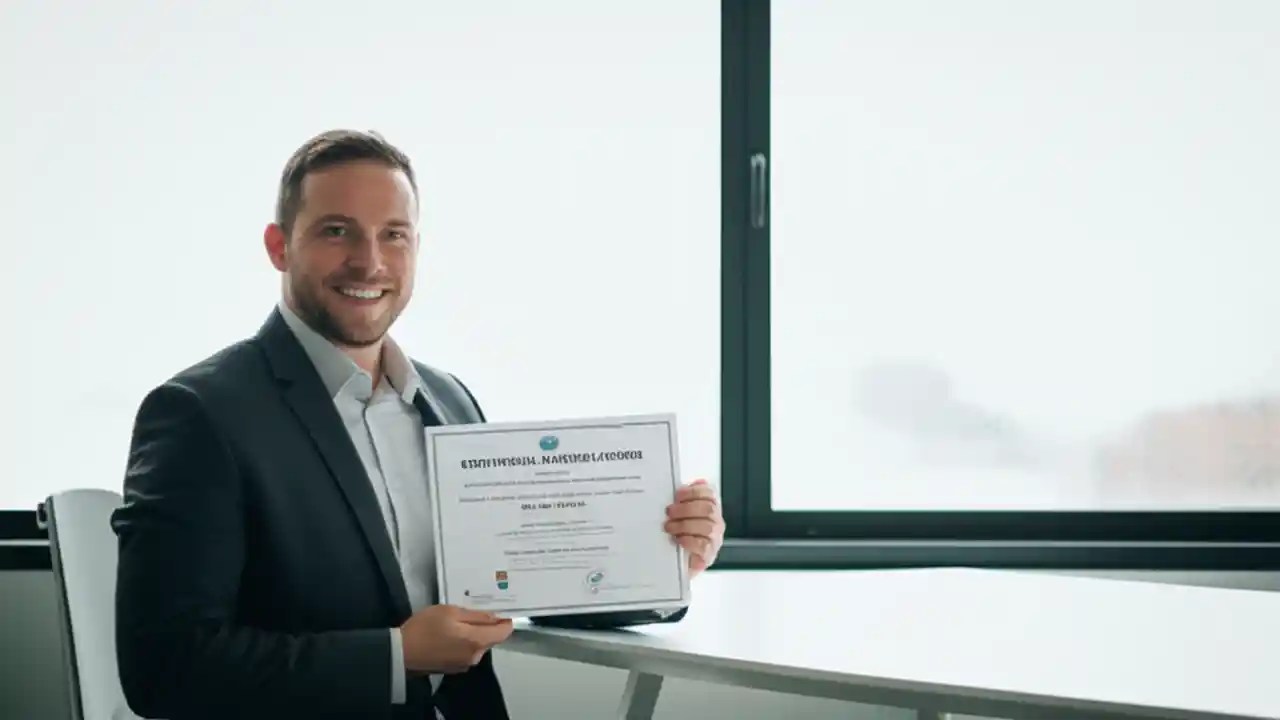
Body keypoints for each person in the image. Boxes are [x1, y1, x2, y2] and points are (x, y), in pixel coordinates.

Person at [110, 129, 726, 720]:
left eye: (393, 235)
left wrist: (661, 557)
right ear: (278, 246)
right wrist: (395, 656)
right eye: (336, 231)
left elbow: (522, 587)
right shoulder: (199, 414)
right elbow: (164, 668)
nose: (369, 261)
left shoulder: (449, 401)